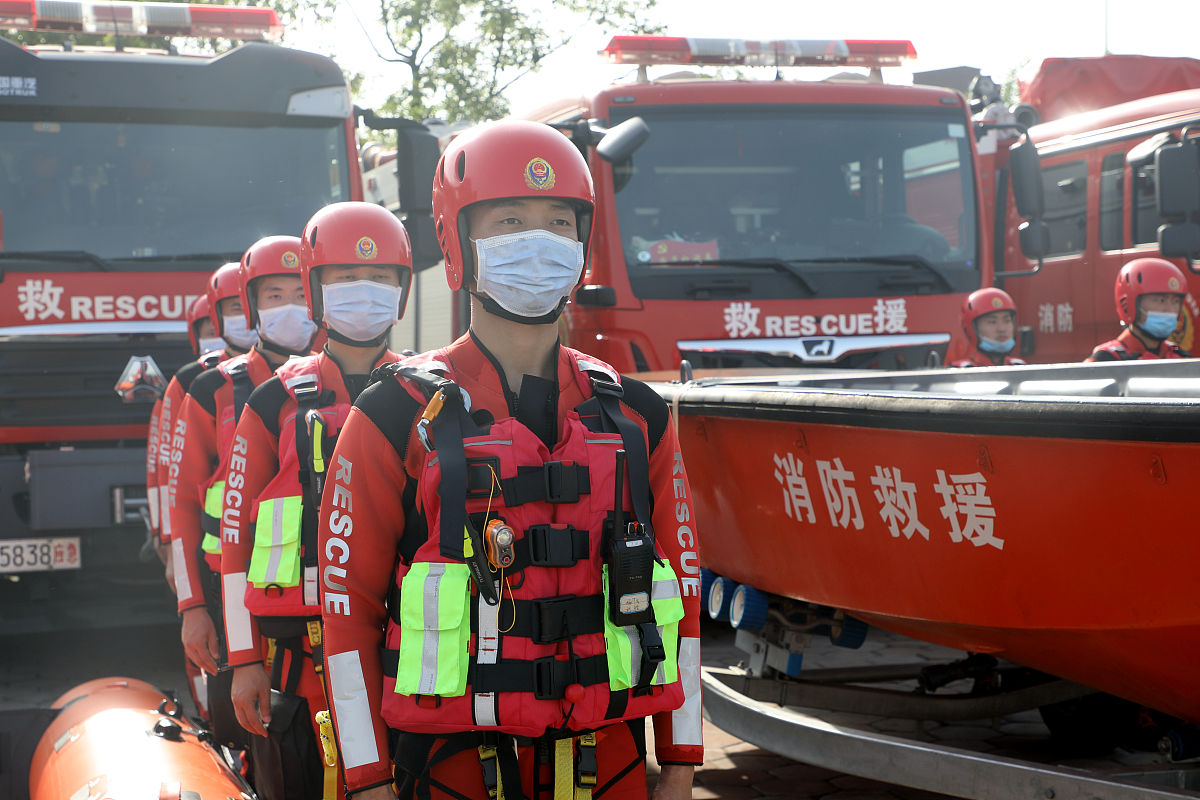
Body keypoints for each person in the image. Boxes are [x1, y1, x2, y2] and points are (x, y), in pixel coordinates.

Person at [318, 120, 703, 800]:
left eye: (560, 222)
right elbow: (348, 610)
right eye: (511, 220)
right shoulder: (392, 414)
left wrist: (680, 759)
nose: (539, 242)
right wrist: (368, 778)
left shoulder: (638, 414)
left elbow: (686, 593)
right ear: (457, 241)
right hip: (452, 766)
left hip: (611, 759)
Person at [219, 203, 413, 800]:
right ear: (316, 289)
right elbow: (234, 543)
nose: (364, 291)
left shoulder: (430, 394)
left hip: (409, 659)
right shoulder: (271, 402)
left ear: (403, 292)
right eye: (347, 277)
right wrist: (244, 660)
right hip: (301, 669)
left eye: (380, 278)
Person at [168, 237, 317, 740]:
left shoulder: (355, 382)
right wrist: (192, 607)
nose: (290, 307)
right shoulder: (211, 389)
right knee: (247, 739)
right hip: (227, 590)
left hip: (321, 597)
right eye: (275, 296)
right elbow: (182, 504)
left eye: (300, 293)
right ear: (252, 305)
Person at [147, 288, 230, 721]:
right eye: (213, 323)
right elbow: (167, 472)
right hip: (208, 554)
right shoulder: (192, 384)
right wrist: (168, 543)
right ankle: (207, 718)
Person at [1087, 258, 1191, 361]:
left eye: (1175, 301)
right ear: (1130, 304)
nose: (1169, 309)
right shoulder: (1107, 359)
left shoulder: (1180, 355)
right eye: (1161, 300)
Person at [951, 288, 1026, 367]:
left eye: (1007, 321)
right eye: (992, 322)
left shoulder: (1020, 367)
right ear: (973, 329)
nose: (1002, 329)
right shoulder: (961, 371)